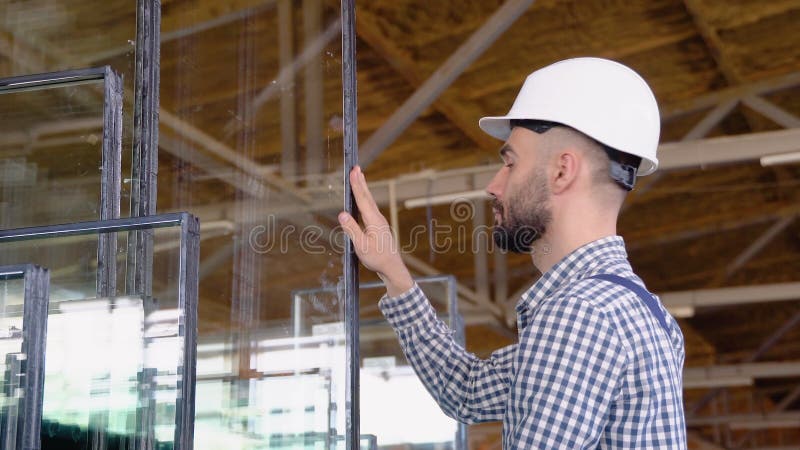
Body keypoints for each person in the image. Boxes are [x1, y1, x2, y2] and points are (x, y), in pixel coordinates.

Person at [338, 57, 687, 449]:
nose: (493, 185)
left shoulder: (580, 315)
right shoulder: (639, 310)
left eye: (510, 162)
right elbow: (467, 390)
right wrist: (394, 273)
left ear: (562, 171)